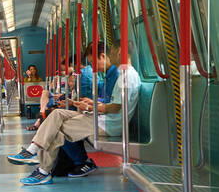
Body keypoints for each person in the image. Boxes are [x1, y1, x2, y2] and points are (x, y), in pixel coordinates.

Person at [10, 43, 141, 184]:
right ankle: (33, 150)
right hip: (103, 118)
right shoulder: (124, 75)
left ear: (120, 52)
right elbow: (115, 104)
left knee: (56, 130)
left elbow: (116, 108)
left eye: (114, 51)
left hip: (108, 124)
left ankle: (42, 168)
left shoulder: (127, 77)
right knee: (57, 114)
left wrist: (90, 107)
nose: (112, 55)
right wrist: (91, 104)